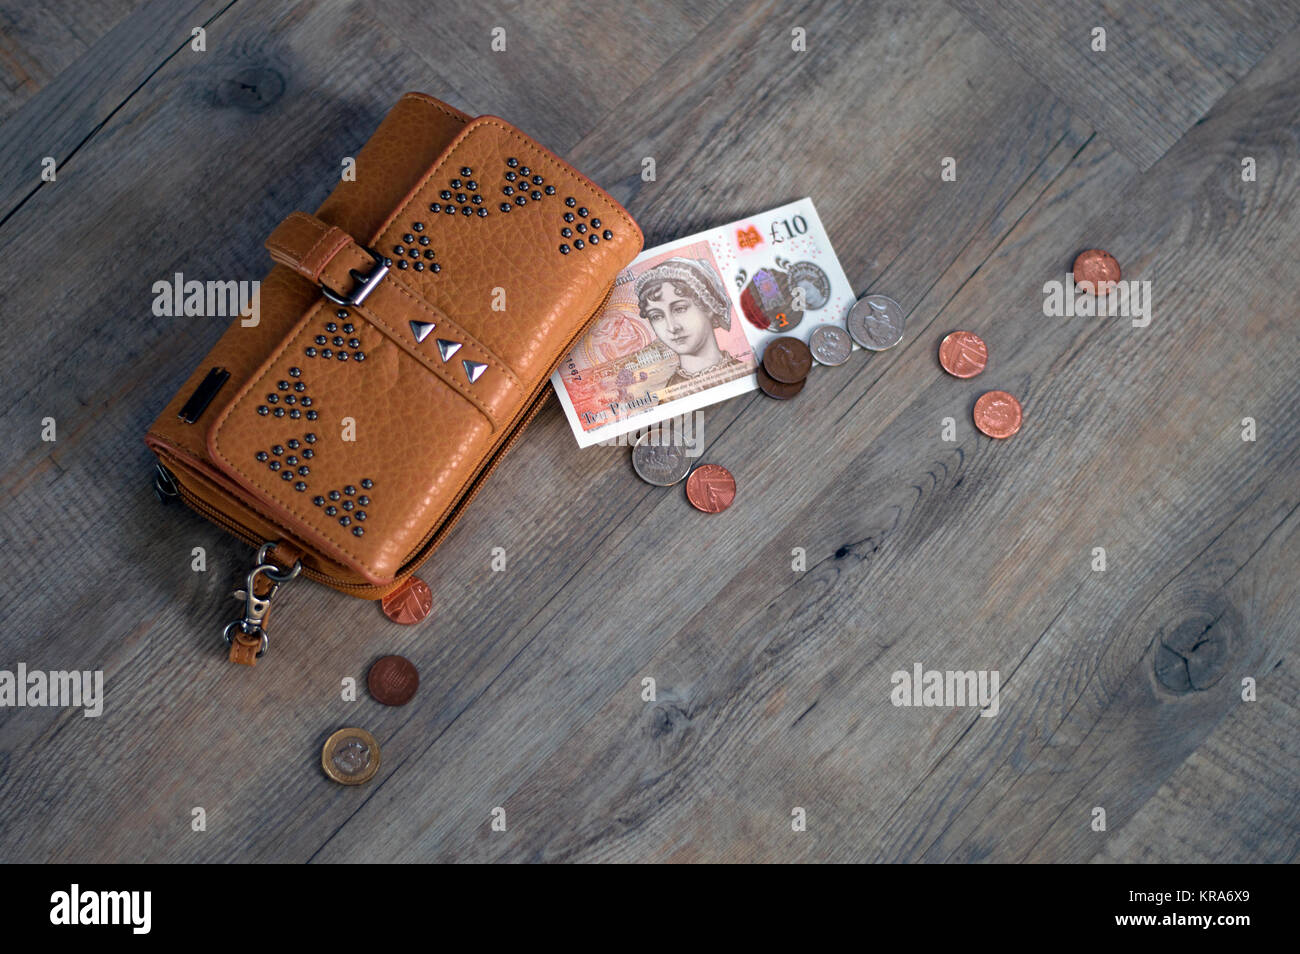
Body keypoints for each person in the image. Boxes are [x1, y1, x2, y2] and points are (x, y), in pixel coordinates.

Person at [634, 257, 747, 390]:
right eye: (657, 316)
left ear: (709, 306)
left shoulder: (744, 374)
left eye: (679, 309)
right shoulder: (671, 394)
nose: (672, 327)